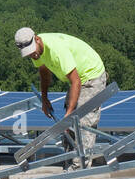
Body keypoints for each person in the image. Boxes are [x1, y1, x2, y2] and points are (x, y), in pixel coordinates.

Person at [15, 27, 110, 166]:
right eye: (28, 53)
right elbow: (44, 73)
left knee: (82, 122)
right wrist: (45, 99)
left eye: (32, 51)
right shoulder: (36, 52)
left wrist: (69, 114)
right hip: (78, 80)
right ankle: (69, 165)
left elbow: (76, 81)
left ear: (37, 39)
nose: (32, 55)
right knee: (68, 127)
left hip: (91, 76)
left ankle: (80, 168)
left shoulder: (56, 50)